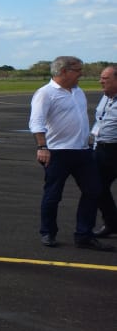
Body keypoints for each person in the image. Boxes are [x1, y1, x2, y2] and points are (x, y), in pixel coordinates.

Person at [29, 56, 112, 250]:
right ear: (64, 71)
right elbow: (36, 122)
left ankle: (84, 234)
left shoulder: (78, 92)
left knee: (93, 191)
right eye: (78, 70)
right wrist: (42, 147)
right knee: (53, 195)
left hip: (83, 152)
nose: (81, 73)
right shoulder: (46, 93)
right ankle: (48, 232)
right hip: (57, 152)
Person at [91, 65, 117, 238]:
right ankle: (112, 223)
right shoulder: (105, 97)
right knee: (98, 187)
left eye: (105, 79)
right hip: (102, 150)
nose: (101, 81)